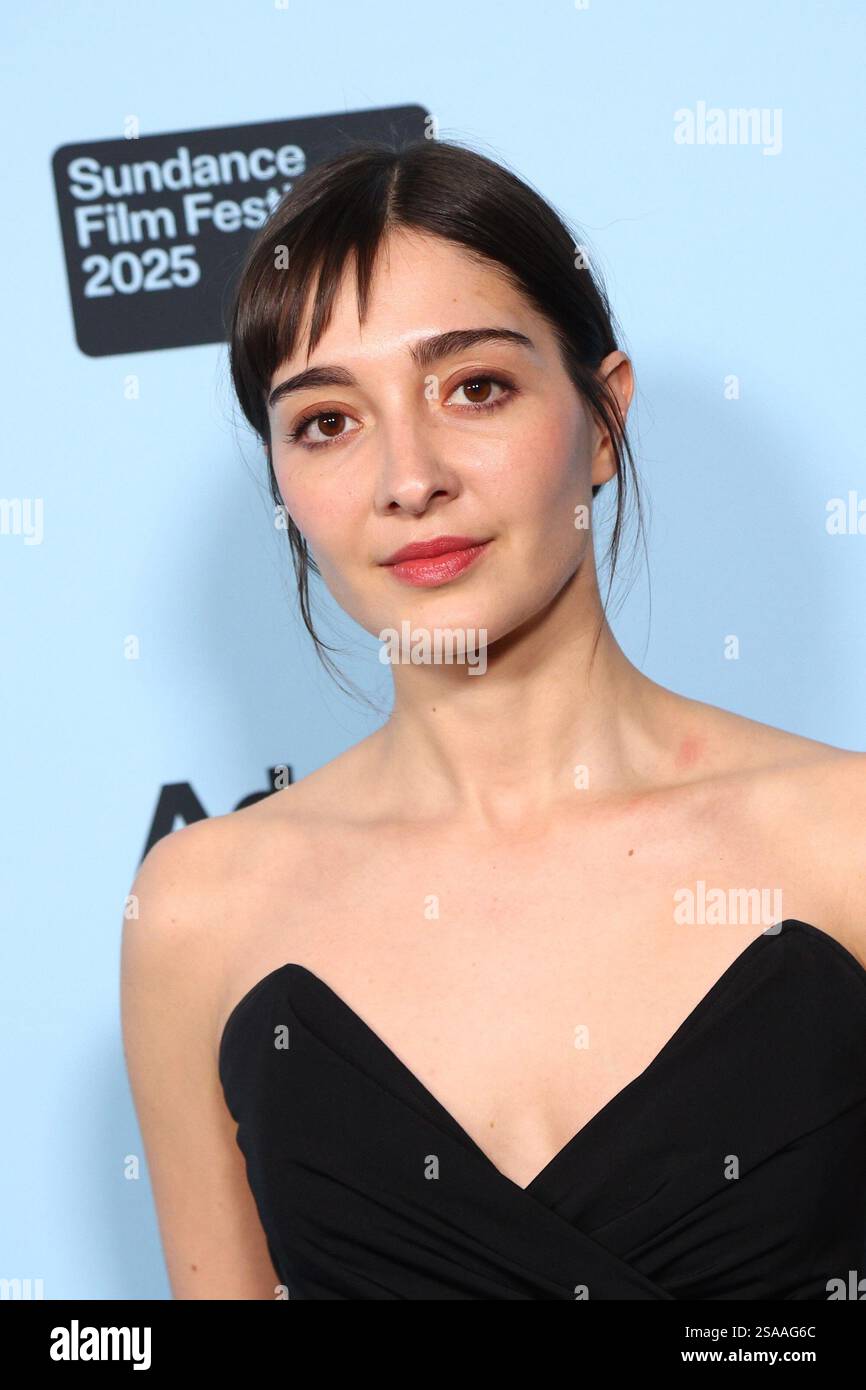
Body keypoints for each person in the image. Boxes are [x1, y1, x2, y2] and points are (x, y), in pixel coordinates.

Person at [121, 138, 866, 1300]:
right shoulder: (199, 911)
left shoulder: (843, 842)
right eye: (326, 421)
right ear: (283, 485)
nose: (407, 476)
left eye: (472, 387)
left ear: (603, 419)